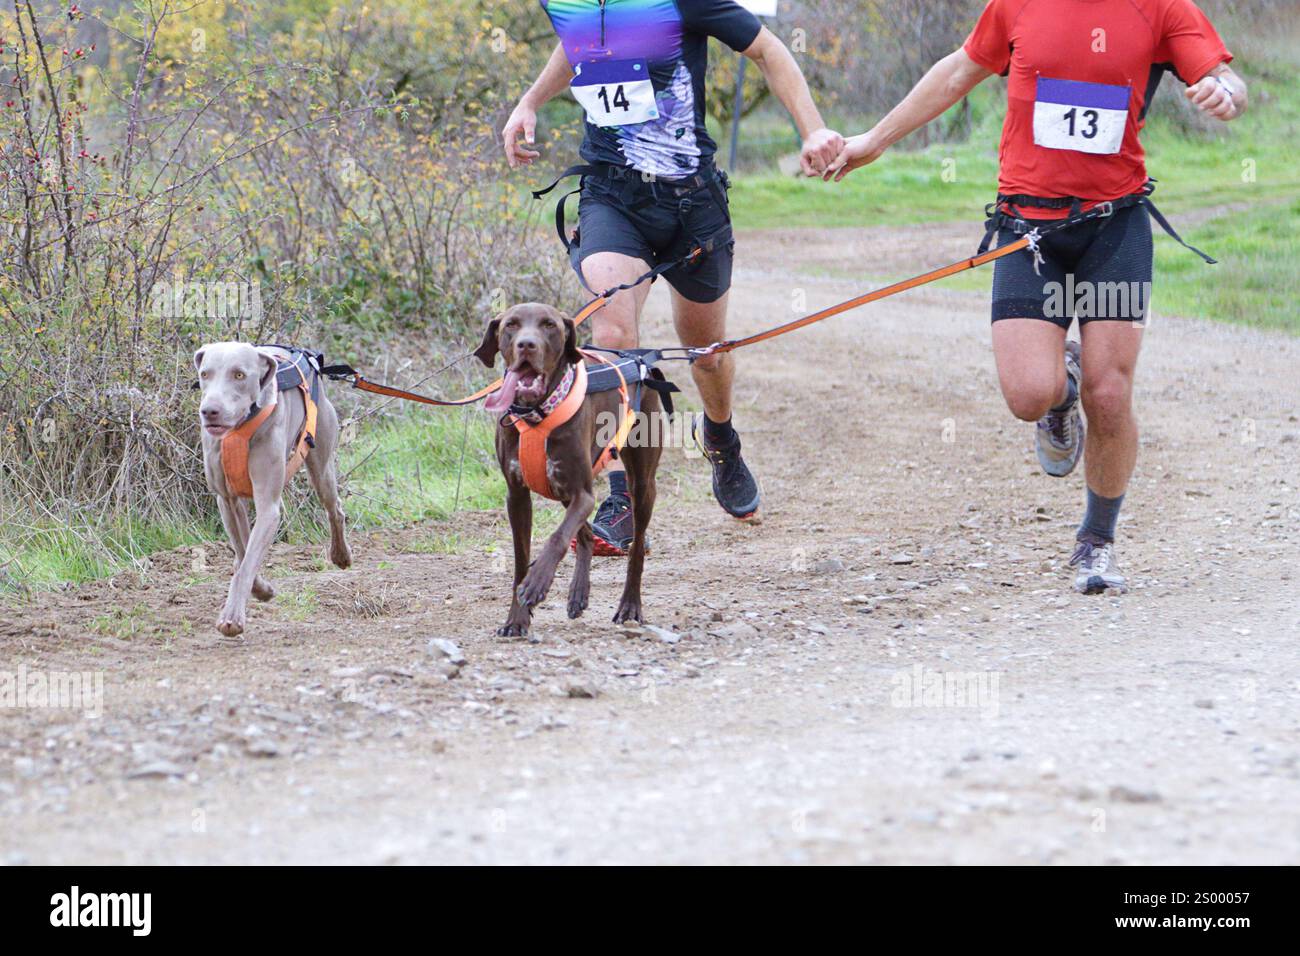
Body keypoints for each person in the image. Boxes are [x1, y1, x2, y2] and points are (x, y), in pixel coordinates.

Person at [825, 0, 1246, 594]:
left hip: (1115, 223)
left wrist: (1226, 91)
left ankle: (1095, 543)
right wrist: (876, 139)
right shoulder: (1017, 5)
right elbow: (957, 71)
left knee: (1111, 393)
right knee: (1028, 394)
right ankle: (1060, 389)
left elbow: (1224, 76)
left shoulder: (1163, 7)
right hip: (1026, 228)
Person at [502, 0, 842, 555]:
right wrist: (530, 101)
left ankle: (720, 437)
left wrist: (812, 130)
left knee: (706, 352)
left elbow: (768, 50)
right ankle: (623, 493)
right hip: (612, 195)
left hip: (692, 203)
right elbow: (578, 41)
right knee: (613, 341)